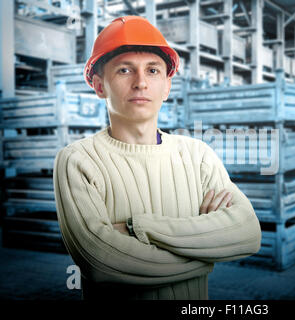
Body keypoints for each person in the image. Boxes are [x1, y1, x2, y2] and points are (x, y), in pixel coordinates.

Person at [53, 16, 261, 300]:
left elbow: (247, 233)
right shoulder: (78, 161)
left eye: (152, 71)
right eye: (125, 70)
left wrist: (137, 228)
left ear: (167, 86)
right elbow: (101, 263)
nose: (141, 83)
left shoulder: (197, 155)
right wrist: (205, 255)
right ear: (99, 86)